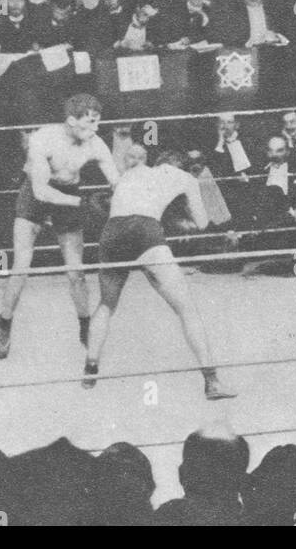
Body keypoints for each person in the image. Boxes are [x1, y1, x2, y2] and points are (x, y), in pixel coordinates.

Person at [82, 141, 235, 400]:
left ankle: (90, 367)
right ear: (185, 166)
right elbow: (201, 223)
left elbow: (111, 202)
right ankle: (212, 381)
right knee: (186, 309)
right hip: (146, 230)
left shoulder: (133, 173)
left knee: (106, 304)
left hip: (111, 231)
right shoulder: (186, 178)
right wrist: (180, 212)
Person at [0, 93, 118, 359]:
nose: (96, 128)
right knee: (21, 267)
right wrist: (82, 202)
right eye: (91, 122)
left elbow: (116, 183)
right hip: (37, 196)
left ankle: (85, 328)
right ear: (72, 121)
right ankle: (5, 324)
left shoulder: (95, 144)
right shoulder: (43, 139)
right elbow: (40, 191)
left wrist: (119, 196)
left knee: (77, 272)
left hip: (69, 194)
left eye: (98, 122)